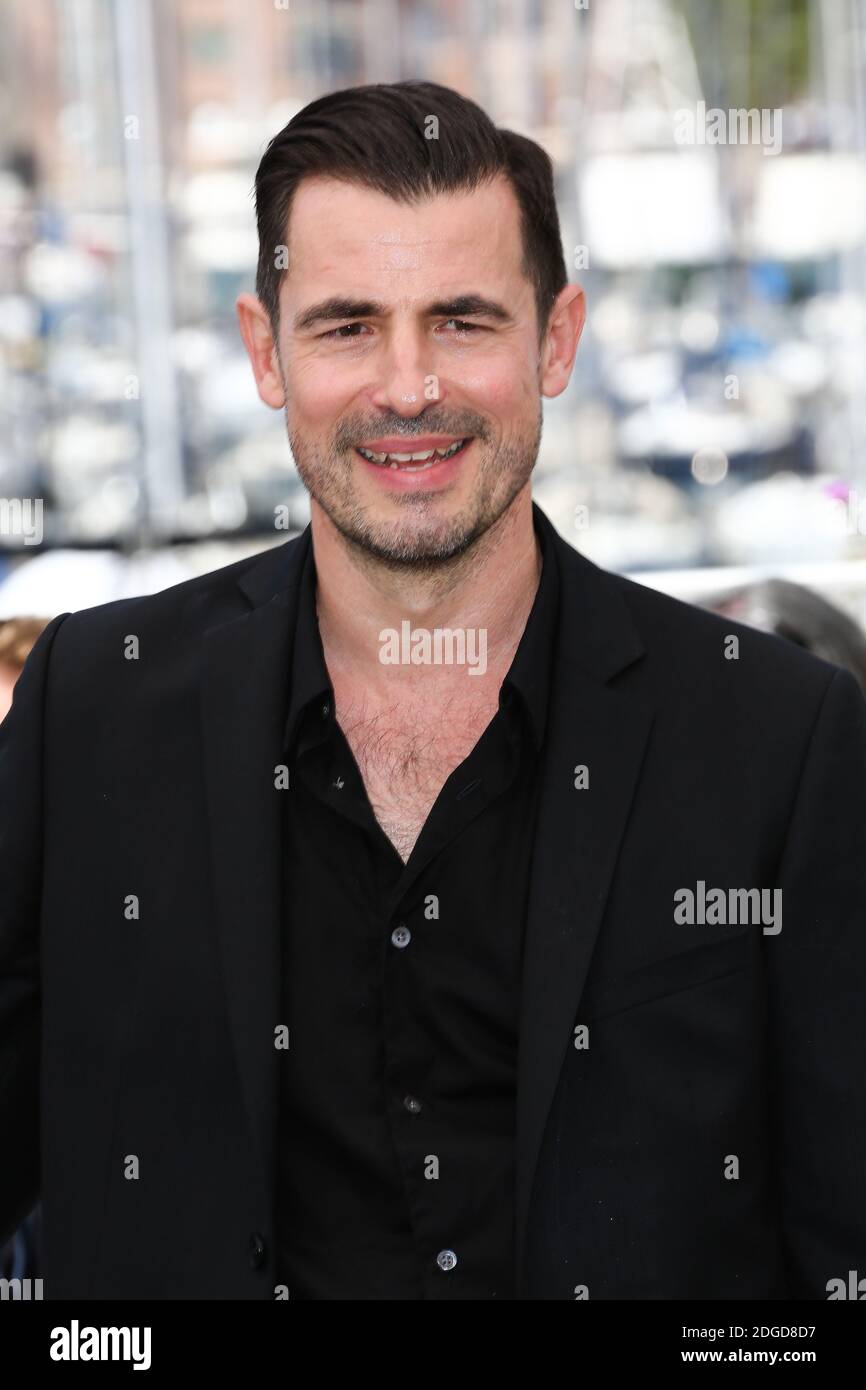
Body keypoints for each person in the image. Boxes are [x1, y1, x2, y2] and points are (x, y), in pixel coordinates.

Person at [1, 81, 864, 1301]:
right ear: (265, 350)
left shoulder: (780, 738)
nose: (407, 389)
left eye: (460, 321)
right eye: (347, 326)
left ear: (553, 339)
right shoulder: (92, 712)